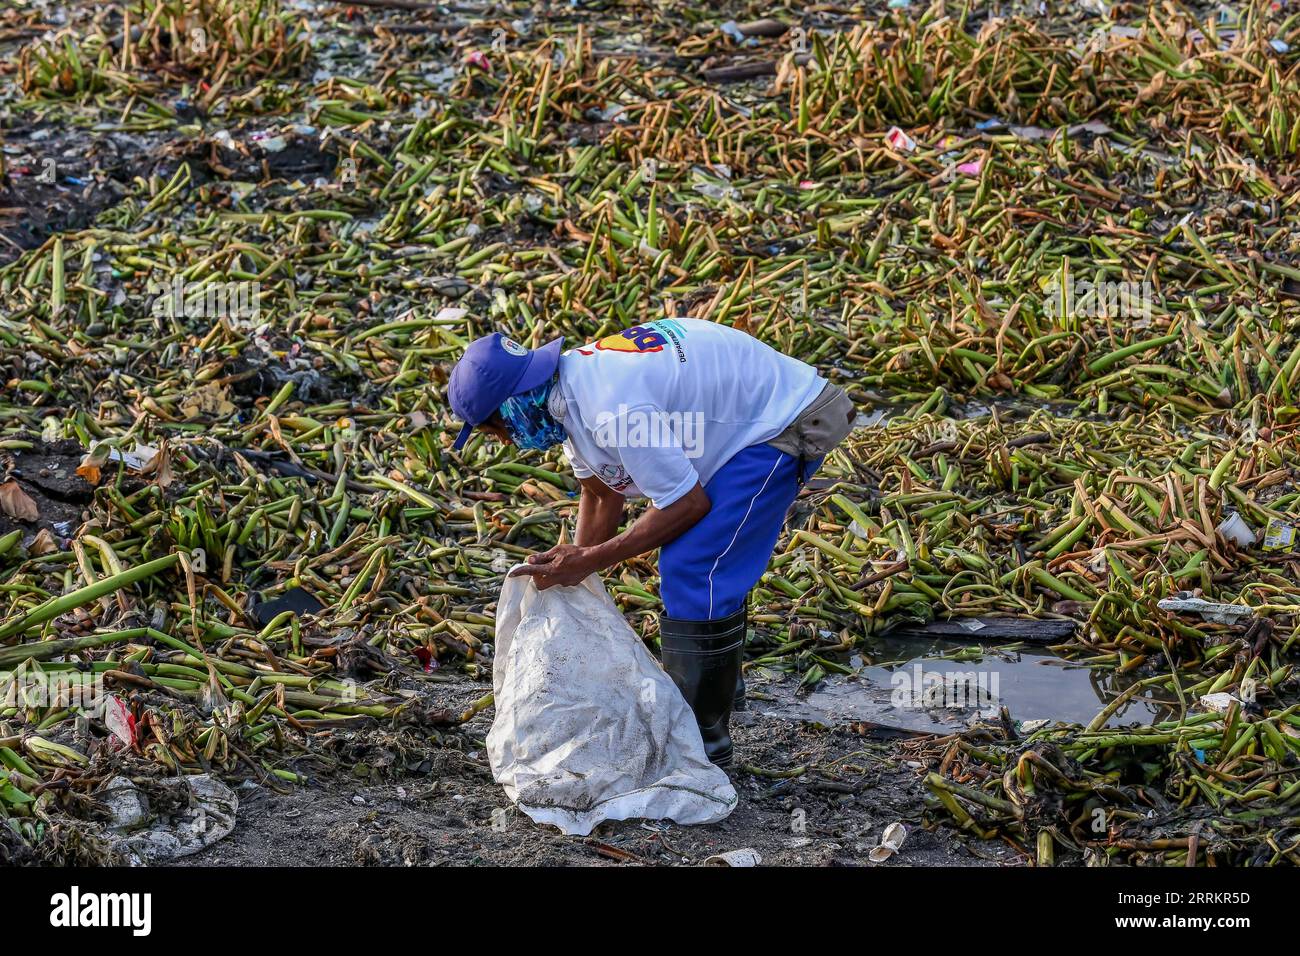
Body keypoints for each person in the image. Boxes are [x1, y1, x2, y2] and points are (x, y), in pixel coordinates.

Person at [447, 318, 854, 765]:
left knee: (694, 567)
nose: (509, 442)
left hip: (786, 421)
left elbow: (686, 506)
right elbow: (600, 493)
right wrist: (574, 573)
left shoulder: (611, 409)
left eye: (499, 430)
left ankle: (701, 743)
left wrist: (591, 559)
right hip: (737, 423)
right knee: (707, 561)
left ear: (513, 406)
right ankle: (719, 686)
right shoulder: (569, 394)